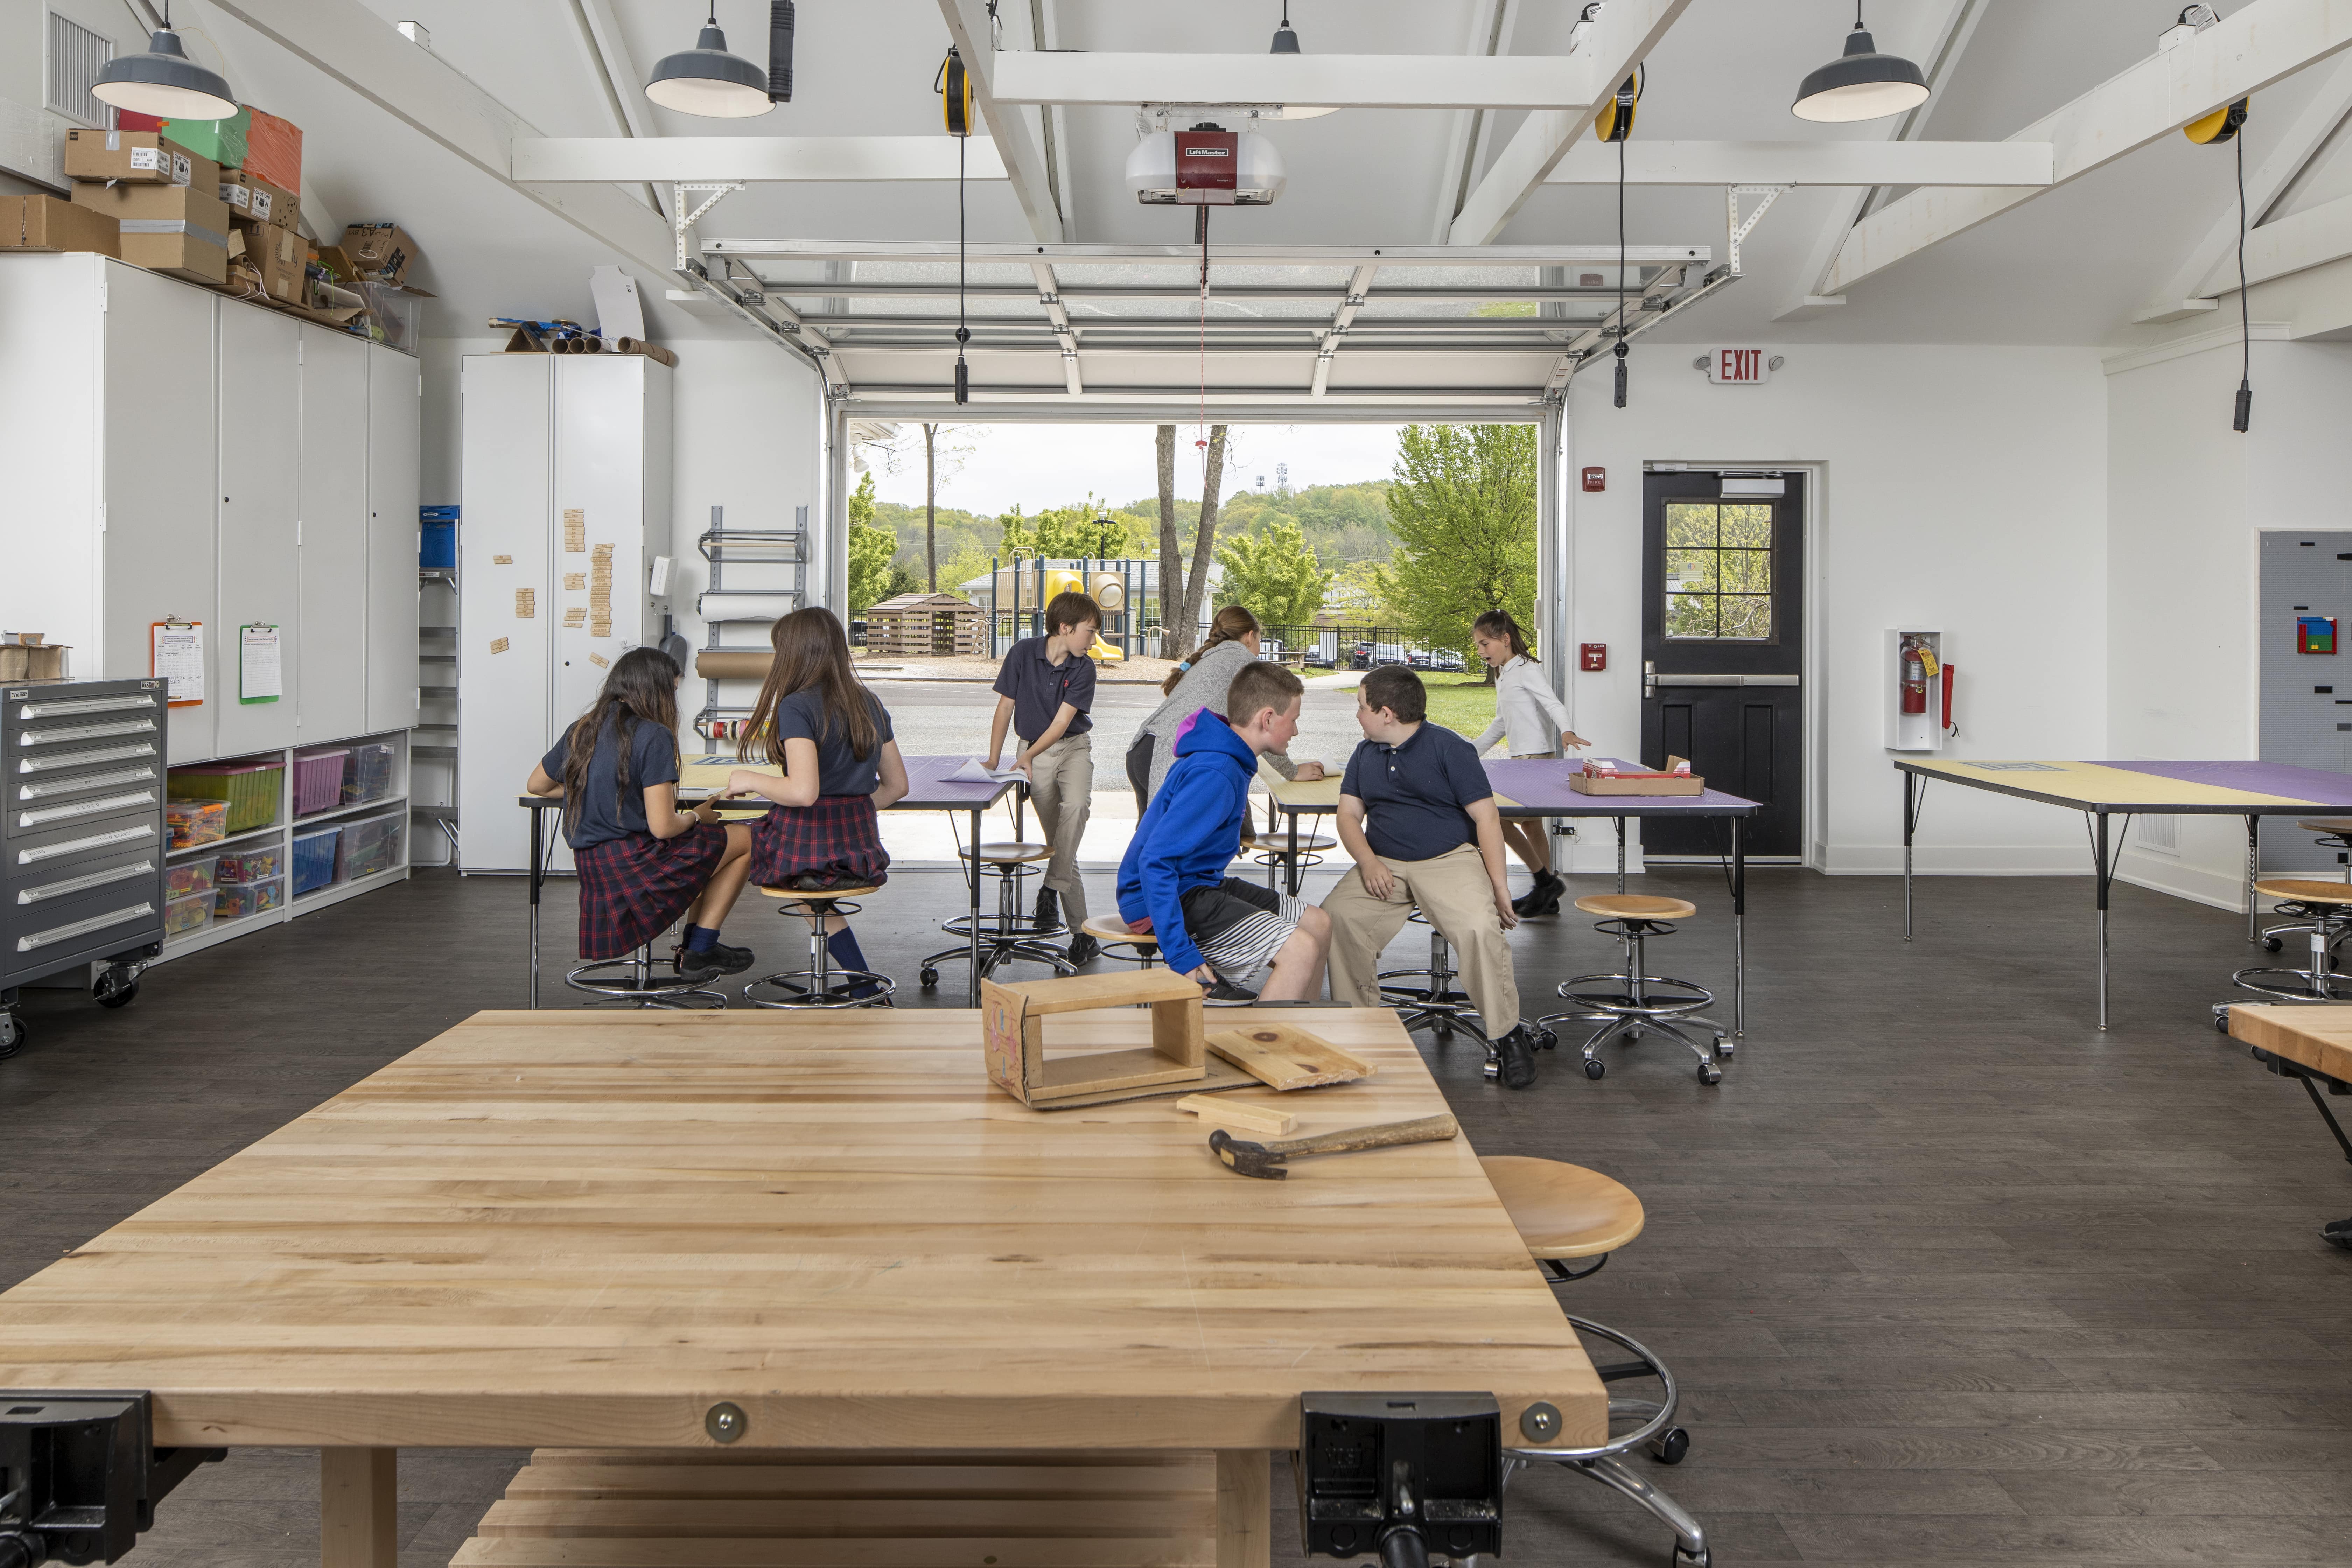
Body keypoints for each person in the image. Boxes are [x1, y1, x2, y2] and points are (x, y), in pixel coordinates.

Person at [1322, 665, 1540, 1088]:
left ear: (1387, 713)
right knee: (1337, 917)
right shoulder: (1365, 753)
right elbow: (1348, 815)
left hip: (1448, 860)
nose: (1358, 716)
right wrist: (1368, 861)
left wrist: (1499, 888)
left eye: (1362, 707)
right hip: (1383, 862)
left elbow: (1487, 819)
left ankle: (1508, 1034)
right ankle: (1361, 1030)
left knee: (1480, 928)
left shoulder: (1450, 749)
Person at [525, 645, 756, 980]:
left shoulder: (582, 729)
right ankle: (700, 947)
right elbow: (663, 827)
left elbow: (538, 786)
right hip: (639, 868)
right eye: (672, 691)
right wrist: (697, 816)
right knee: (746, 838)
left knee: (712, 847)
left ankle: (699, 950)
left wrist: (595, 790)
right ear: (656, 690)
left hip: (596, 872)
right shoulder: (653, 734)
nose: (673, 701)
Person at [1115, 661, 1330, 1001]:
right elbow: (1155, 861)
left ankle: (1303, 1032)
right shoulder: (1216, 772)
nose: (1296, 732)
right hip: (1163, 897)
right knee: (1300, 949)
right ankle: (1261, 1050)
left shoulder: (1230, 760)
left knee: (1318, 923)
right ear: (1269, 718)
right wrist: (1181, 954)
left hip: (1200, 884)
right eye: (1294, 720)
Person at [721, 608, 909, 988]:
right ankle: (864, 985)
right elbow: (897, 787)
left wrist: (749, 778)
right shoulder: (868, 702)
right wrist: (850, 810)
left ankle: (700, 943)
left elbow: (803, 792)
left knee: (724, 842)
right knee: (811, 897)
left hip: (805, 851)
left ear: (794, 654)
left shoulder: (796, 705)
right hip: (859, 852)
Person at [989, 590, 1102, 964]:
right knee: (1061, 845)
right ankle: (1084, 936)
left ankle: (1049, 890)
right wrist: (994, 760)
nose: (1094, 639)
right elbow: (1006, 706)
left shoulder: (1085, 668)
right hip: (1031, 751)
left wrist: (1027, 756)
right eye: (1090, 631)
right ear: (1065, 627)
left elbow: (1061, 724)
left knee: (1077, 806)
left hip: (1071, 748)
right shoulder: (1023, 653)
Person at [1128, 604, 1323, 812]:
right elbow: (1265, 725)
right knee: (1190, 839)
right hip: (1168, 759)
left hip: (1142, 752)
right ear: (1250, 637)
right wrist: (1292, 772)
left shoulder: (1207, 659)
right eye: (1259, 639)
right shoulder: (1246, 665)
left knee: (1151, 840)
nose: (1259, 647)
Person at [1469, 609, 1590, 917]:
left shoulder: (1527, 668)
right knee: (1532, 825)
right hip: (1521, 758)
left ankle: (1545, 885)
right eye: (1479, 646)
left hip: (1535, 757)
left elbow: (1553, 703)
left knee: (1498, 820)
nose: (1481, 651)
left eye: (1485, 644)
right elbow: (1502, 722)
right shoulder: (1505, 672)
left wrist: (1567, 730)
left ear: (1505, 640)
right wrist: (1473, 751)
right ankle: (1547, 892)